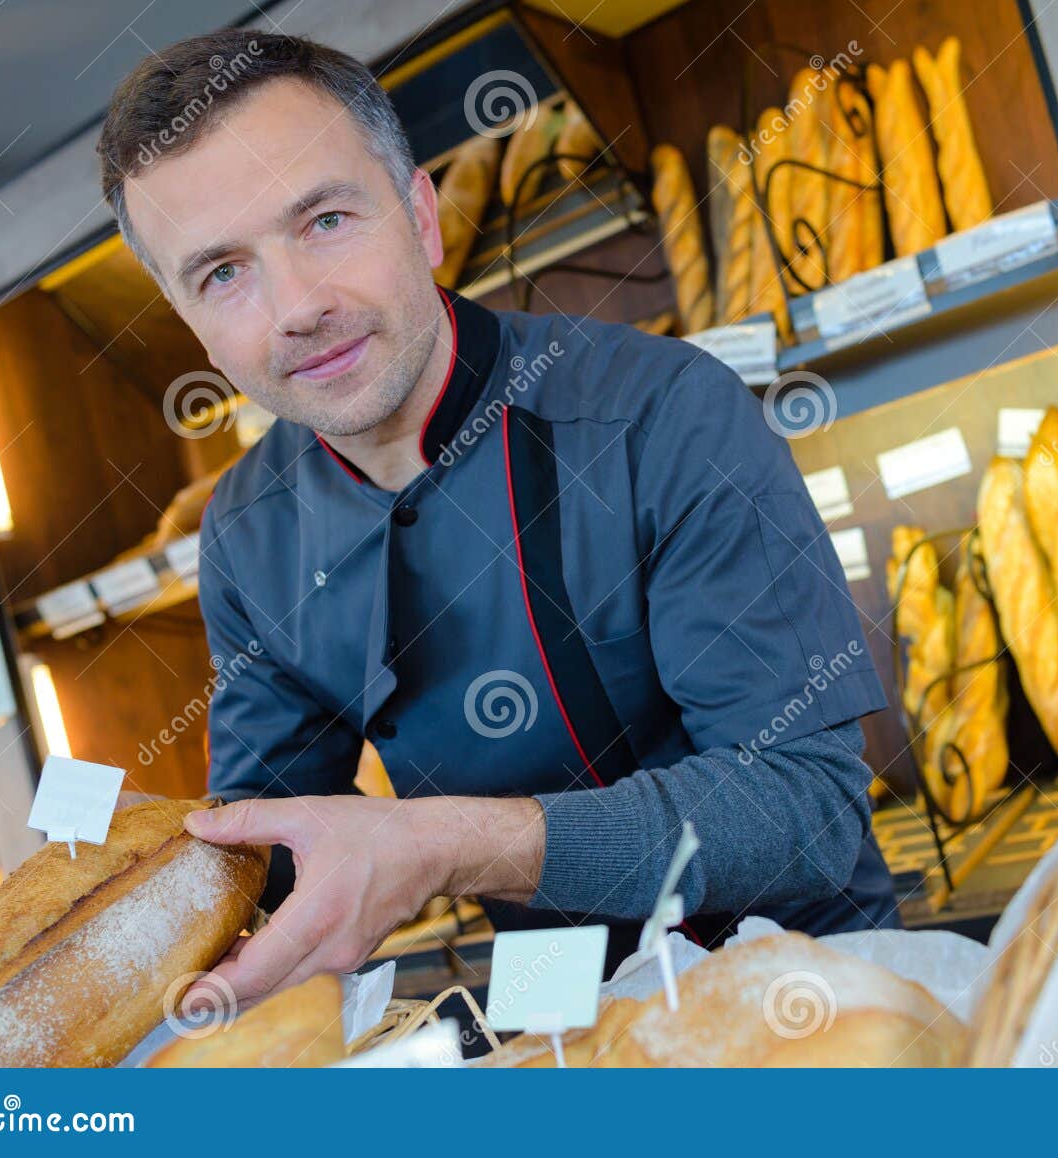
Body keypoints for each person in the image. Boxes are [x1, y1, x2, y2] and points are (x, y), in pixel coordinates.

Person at [96, 30, 898, 1008]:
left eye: (327, 220)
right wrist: (143, 861)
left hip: (806, 1005)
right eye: (222, 273)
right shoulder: (248, 533)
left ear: (421, 218)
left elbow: (805, 809)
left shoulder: (660, 412)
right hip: (552, 1025)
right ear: (190, 322)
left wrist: (441, 846)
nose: (296, 306)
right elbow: (272, 839)